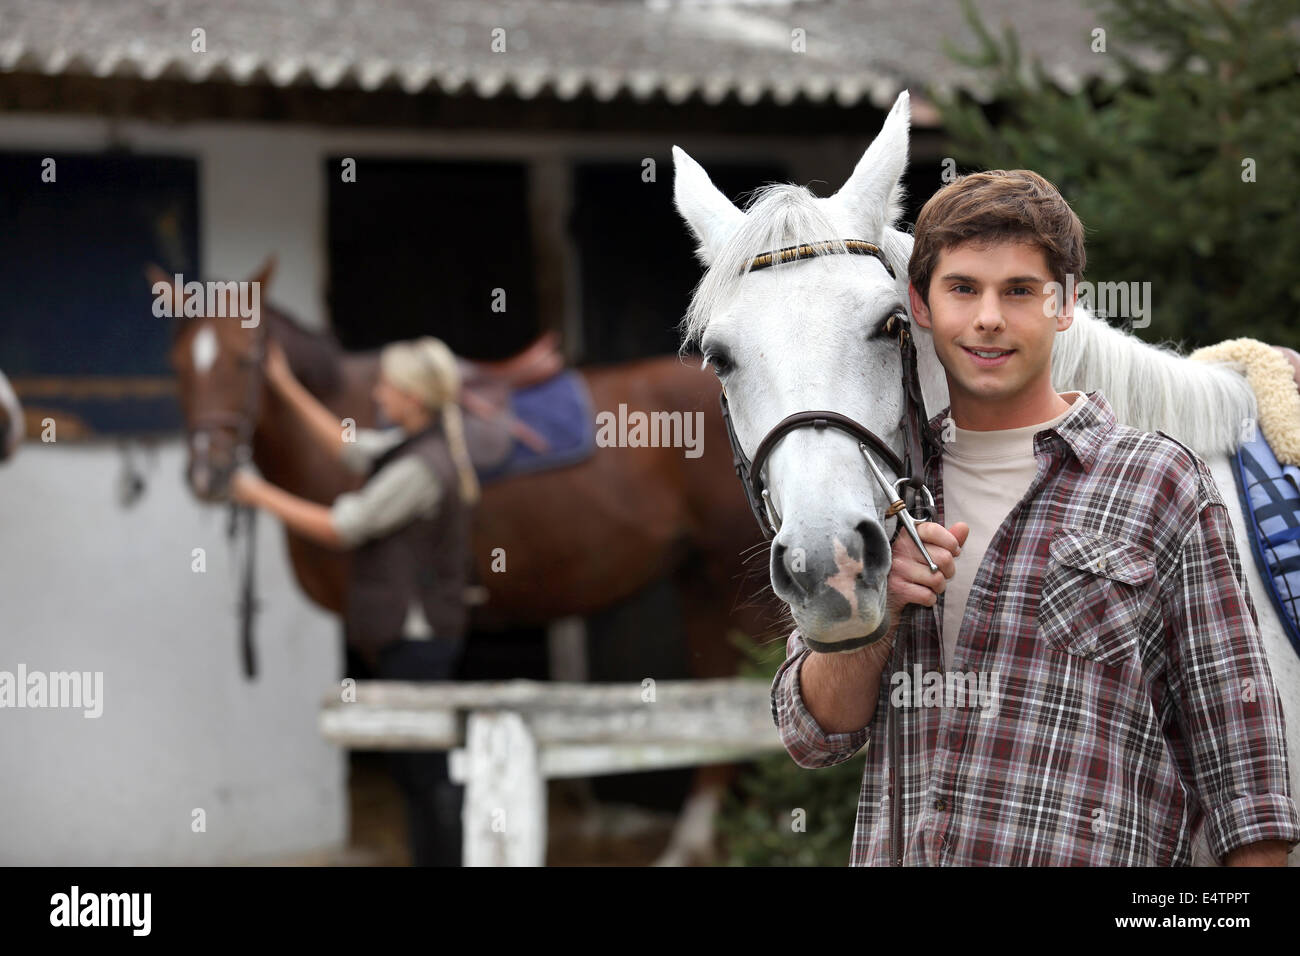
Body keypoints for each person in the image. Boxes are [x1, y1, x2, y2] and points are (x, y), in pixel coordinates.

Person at [772, 169, 1300, 866]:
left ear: (1066, 305)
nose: (988, 317)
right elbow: (815, 731)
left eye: (1019, 291)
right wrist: (879, 607)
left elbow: (1249, 781)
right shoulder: (883, 500)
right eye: (962, 288)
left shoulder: (1159, 481)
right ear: (920, 307)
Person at [231, 335, 480, 867]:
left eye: (388, 386)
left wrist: (257, 494)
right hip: (410, 639)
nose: (379, 392)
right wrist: (285, 386)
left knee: (425, 772)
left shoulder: (420, 467)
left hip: (418, 641)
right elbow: (347, 447)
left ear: (413, 398)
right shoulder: (408, 445)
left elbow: (344, 526)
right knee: (416, 770)